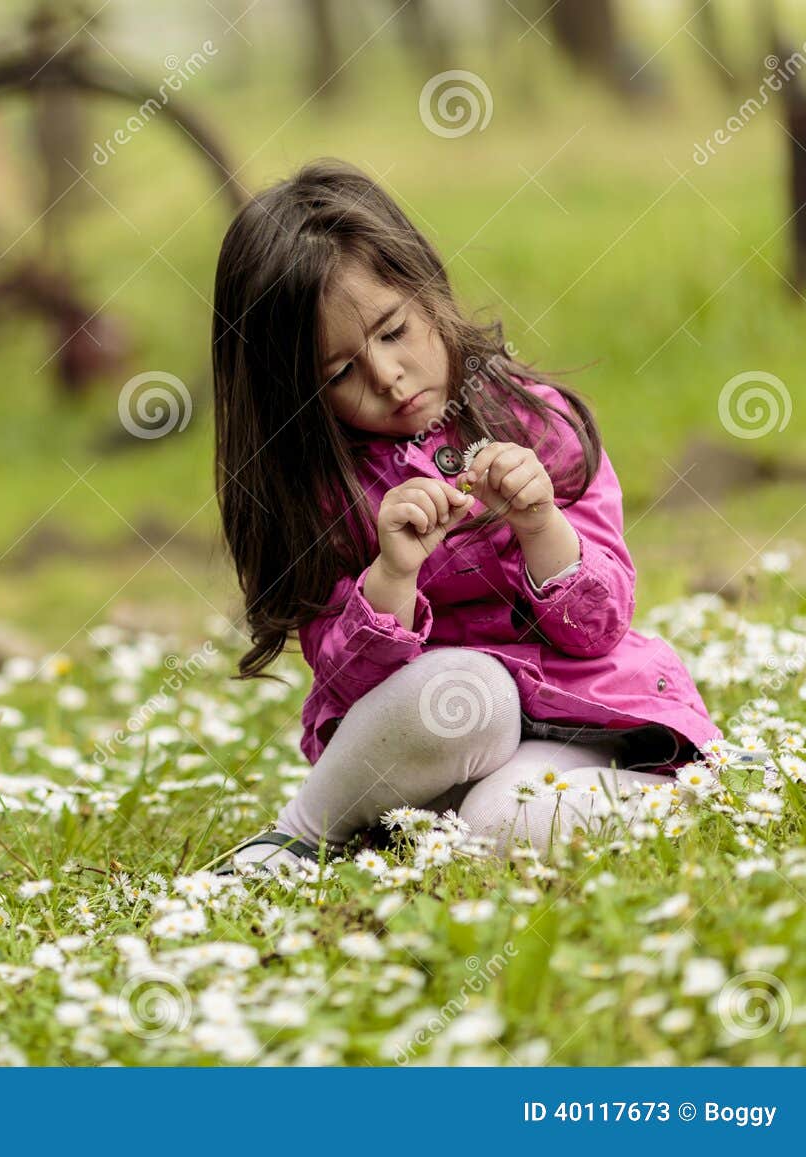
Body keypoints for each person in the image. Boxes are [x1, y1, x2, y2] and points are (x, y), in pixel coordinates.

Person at [207, 158, 719, 874]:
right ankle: (298, 833)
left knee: (509, 819)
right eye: (338, 373)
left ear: (427, 290)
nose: (386, 377)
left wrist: (540, 522)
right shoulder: (323, 490)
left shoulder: (537, 423)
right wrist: (393, 573)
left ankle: (693, 792)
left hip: (573, 722)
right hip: (430, 744)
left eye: (393, 332)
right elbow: (346, 686)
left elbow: (599, 625)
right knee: (464, 693)